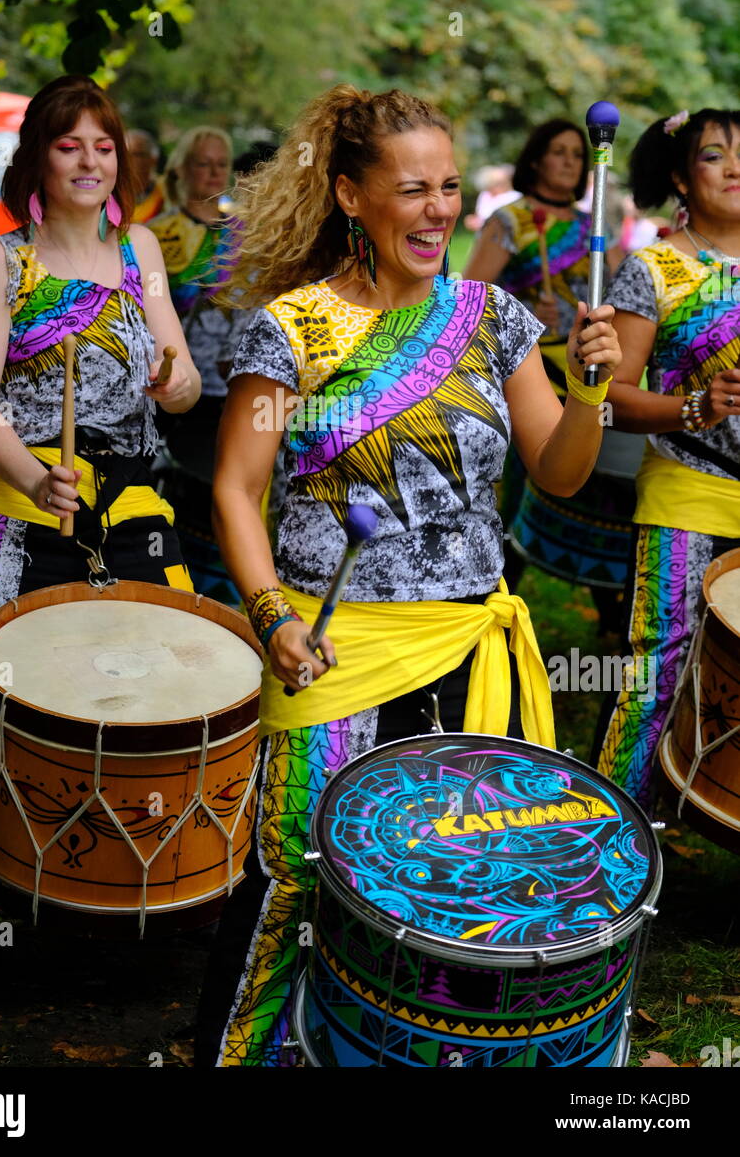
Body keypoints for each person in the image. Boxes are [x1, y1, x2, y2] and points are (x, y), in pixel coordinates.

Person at [194, 84, 621, 1066]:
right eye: (411, 189)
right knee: (295, 876)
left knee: (457, 887)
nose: (437, 210)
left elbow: (557, 468)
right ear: (350, 195)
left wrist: (589, 389)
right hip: (329, 647)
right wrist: (269, 617)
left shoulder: (493, 317)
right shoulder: (287, 330)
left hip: (468, 648)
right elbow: (234, 485)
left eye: (449, 189)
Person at [0, 74, 201, 934]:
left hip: (129, 505)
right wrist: (34, 477)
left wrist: (177, 380)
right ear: (38, 159)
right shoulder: (2, 259)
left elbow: (180, 378)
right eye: (70, 145)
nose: (91, 161)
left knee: (156, 693)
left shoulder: (142, 255)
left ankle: (125, 888)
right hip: (16, 506)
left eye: (104, 145)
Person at [596, 108, 740, 806]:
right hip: (688, 481)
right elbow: (613, 397)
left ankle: (712, 808)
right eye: (717, 157)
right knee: (664, 666)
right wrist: (697, 406)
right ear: (682, 176)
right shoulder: (653, 268)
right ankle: (613, 840)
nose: (738, 169)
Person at [464, 120, 632, 629]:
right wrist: (526, 310)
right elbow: (470, 296)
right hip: (524, 370)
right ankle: (493, 597)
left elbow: (620, 300)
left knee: (590, 476)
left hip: (582, 372)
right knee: (520, 483)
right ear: (535, 159)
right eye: (556, 153)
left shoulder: (593, 229)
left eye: (576, 156)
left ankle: (605, 603)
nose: (567, 162)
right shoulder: (509, 221)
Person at [147, 126, 241, 603]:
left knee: (231, 493)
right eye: (202, 163)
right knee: (182, 495)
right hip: (174, 388)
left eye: (220, 164)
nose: (212, 173)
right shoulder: (156, 236)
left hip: (237, 392)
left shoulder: (248, 234)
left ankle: (224, 596)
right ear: (181, 170)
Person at [126, 128, 166, 223]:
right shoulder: (107, 194)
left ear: (153, 159)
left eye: (136, 154)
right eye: (123, 154)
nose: (127, 160)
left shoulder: (166, 190)